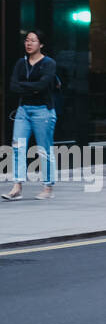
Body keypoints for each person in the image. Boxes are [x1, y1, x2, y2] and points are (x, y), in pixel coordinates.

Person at [4, 30, 58, 200]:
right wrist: (31, 87)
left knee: (44, 149)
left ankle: (48, 188)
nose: (28, 43)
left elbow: (42, 85)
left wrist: (25, 86)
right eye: (27, 40)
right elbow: (12, 86)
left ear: (41, 44)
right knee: (17, 148)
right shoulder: (21, 63)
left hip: (43, 111)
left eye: (33, 41)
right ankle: (17, 187)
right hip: (23, 111)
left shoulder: (49, 63)